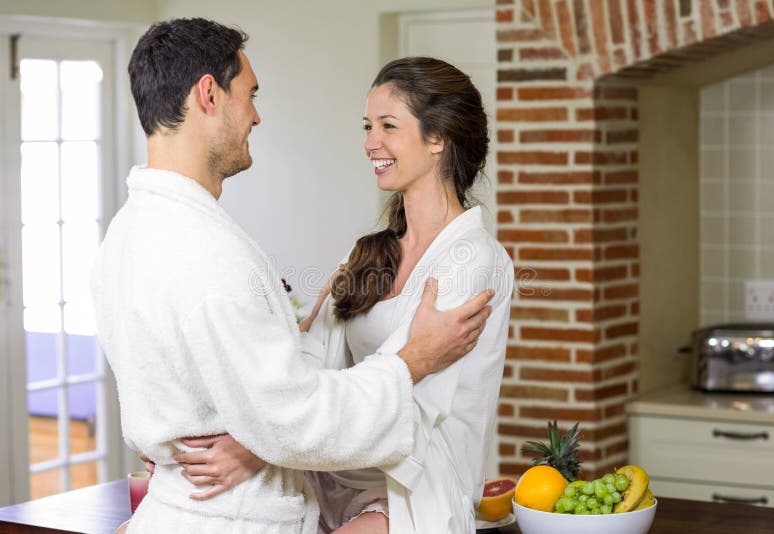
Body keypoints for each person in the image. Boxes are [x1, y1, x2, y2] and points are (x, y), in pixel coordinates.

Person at [90, 19, 493, 534]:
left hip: (207, 502)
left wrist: (256, 437)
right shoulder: (209, 252)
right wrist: (412, 358)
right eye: (250, 94)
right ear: (209, 94)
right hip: (233, 512)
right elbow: (294, 414)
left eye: (388, 125)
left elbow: (288, 394)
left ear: (439, 139)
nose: (256, 115)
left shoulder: (126, 236)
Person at [174, 57, 514, 533]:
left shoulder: (474, 260)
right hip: (321, 472)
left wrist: (256, 447)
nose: (370, 142)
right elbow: (310, 361)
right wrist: (245, 434)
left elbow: (406, 399)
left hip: (415, 493)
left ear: (438, 138)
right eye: (368, 126)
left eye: (388, 126)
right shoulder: (368, 252)